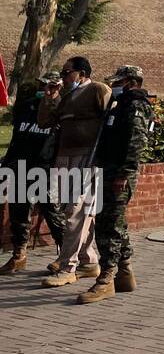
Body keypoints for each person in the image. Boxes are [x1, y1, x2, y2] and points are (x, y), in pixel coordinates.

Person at [78, 65, 154, 304]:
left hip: (119, 176)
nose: (114, 87)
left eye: (118, 83)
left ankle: (106, 279)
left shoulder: (136, 107)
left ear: (132, 82)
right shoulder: (120, 106)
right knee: (116, 223)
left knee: (107, 226)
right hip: (108, 172)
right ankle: (124, 272)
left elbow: (135, 144)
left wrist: (124, 174)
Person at [38, 56, 110, 287]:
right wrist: (50, 97)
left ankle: (67, 266)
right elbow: (44, 122)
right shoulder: (67, 97)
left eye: (67, 71)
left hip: (87, 159)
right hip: (65, 158)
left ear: (82, 73)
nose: (64, 76)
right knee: (81, 212)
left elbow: (111, 120)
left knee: (75, 211)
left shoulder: (98, 90)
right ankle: (88, 261)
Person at [0, 74, 63, 274]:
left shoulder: (63, 109)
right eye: (42, 85)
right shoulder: (27, 106)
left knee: (52, 211)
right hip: (21, 165)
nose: (45, 89)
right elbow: (18, 136)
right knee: (19, 212)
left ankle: (66, 257)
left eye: (51, 86)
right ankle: (19, 254)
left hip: (45, 167)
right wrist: (8, 162)